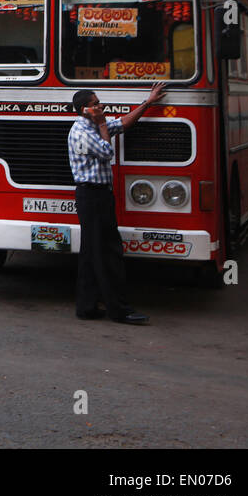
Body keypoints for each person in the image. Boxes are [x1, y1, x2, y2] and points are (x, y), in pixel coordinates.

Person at [69, 83, 167, 324]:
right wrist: (103, 124)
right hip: (93, 197)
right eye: (95, 104)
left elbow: (123, 123)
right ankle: (119, 310)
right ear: (84, 110)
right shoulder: (83, 132)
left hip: (96, 196)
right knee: (108, 252)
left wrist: (148, 102)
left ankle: (87, 306)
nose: (100, 106)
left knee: (91, 253)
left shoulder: (92, 126)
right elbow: (106, 152)